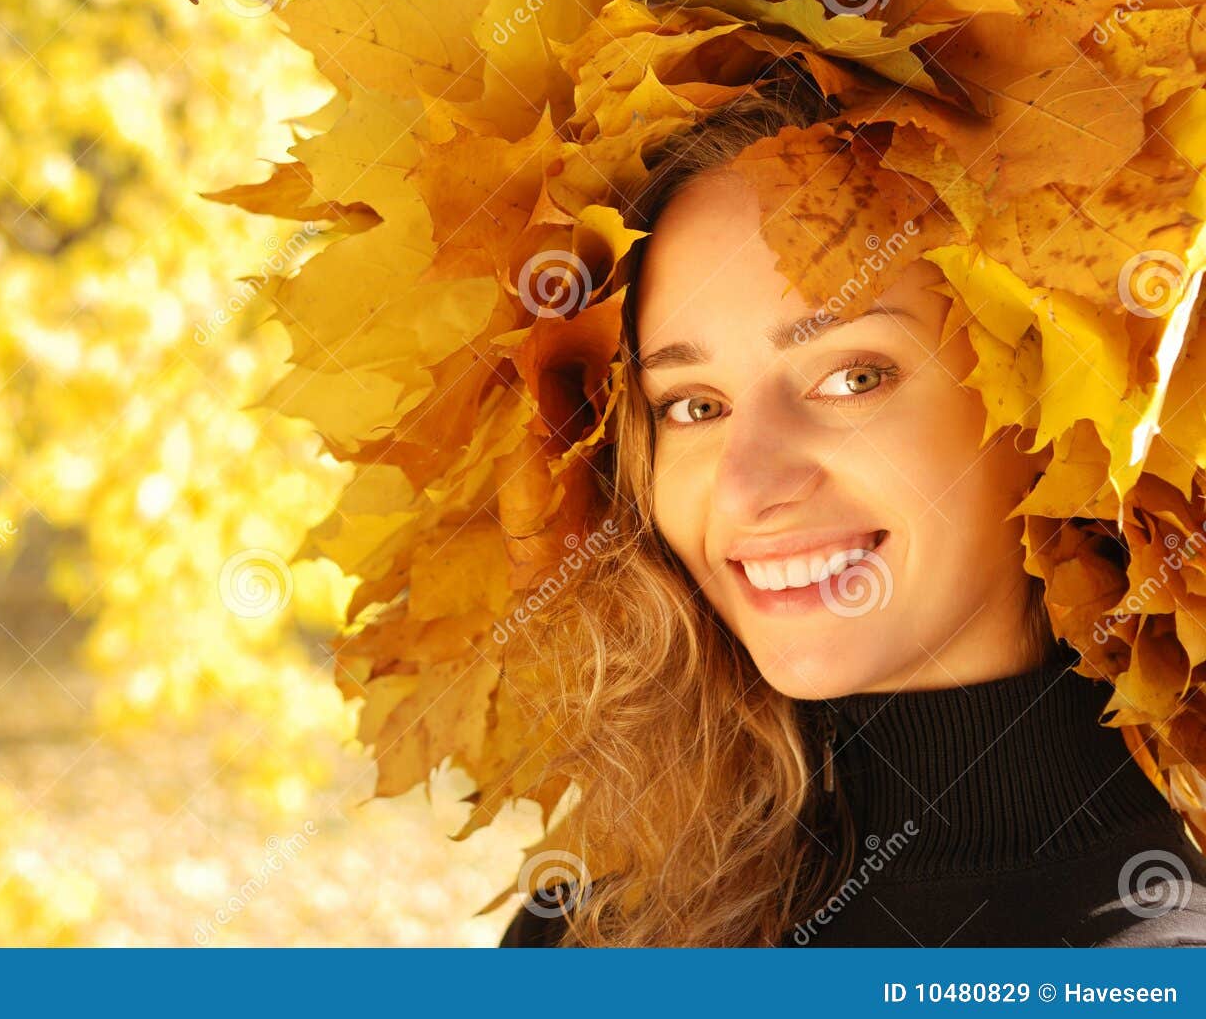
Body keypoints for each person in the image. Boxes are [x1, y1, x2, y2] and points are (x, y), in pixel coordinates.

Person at [498, 75, 1206, 947]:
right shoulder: (589, 935)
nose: (747, 485)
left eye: (853, 376)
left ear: (1047, 405)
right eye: (692, 404)